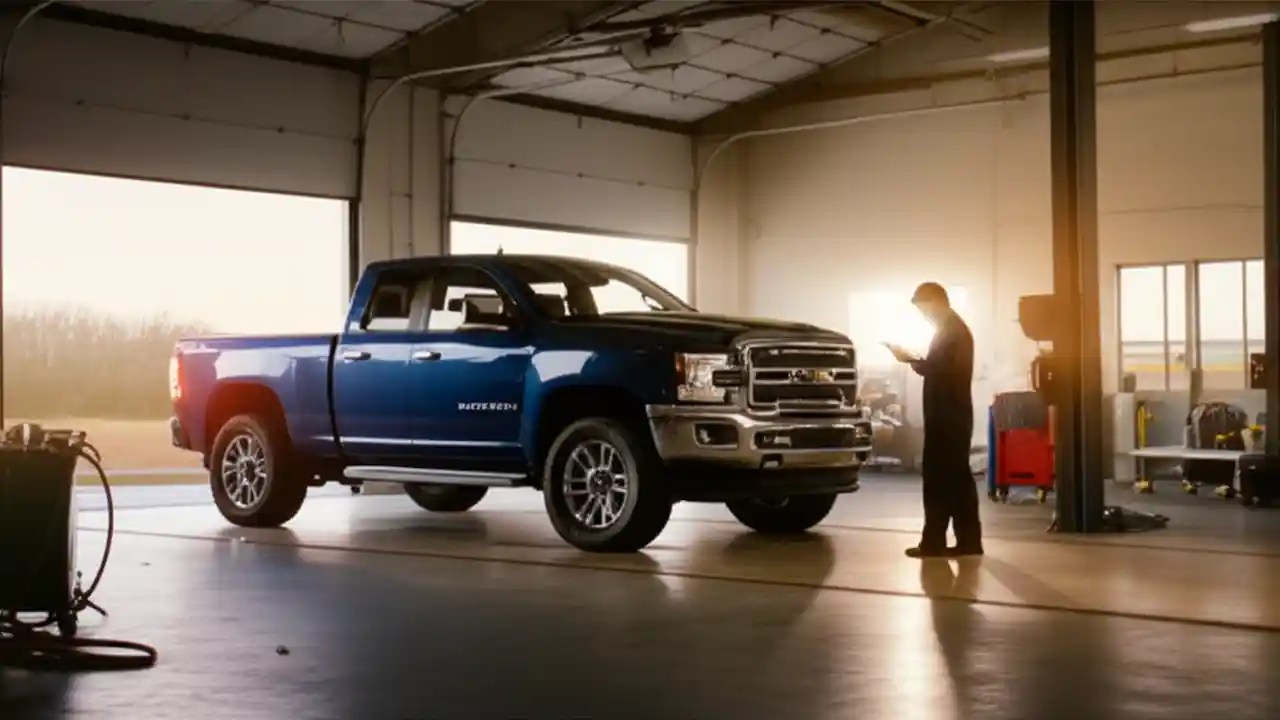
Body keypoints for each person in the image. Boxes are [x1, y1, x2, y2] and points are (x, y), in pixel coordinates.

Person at [886, 282, 983, 558]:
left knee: (939, 479)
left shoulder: (953, 332)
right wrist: (918, 361)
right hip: (950, 415)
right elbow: (940, 368)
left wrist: (911, 360)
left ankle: (934, 542)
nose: (923, 315)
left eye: (924, 308)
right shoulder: (950, 329)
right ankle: (968, 541)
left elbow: (941, 370)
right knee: (957, 480)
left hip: (947, 416)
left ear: (937, 302)